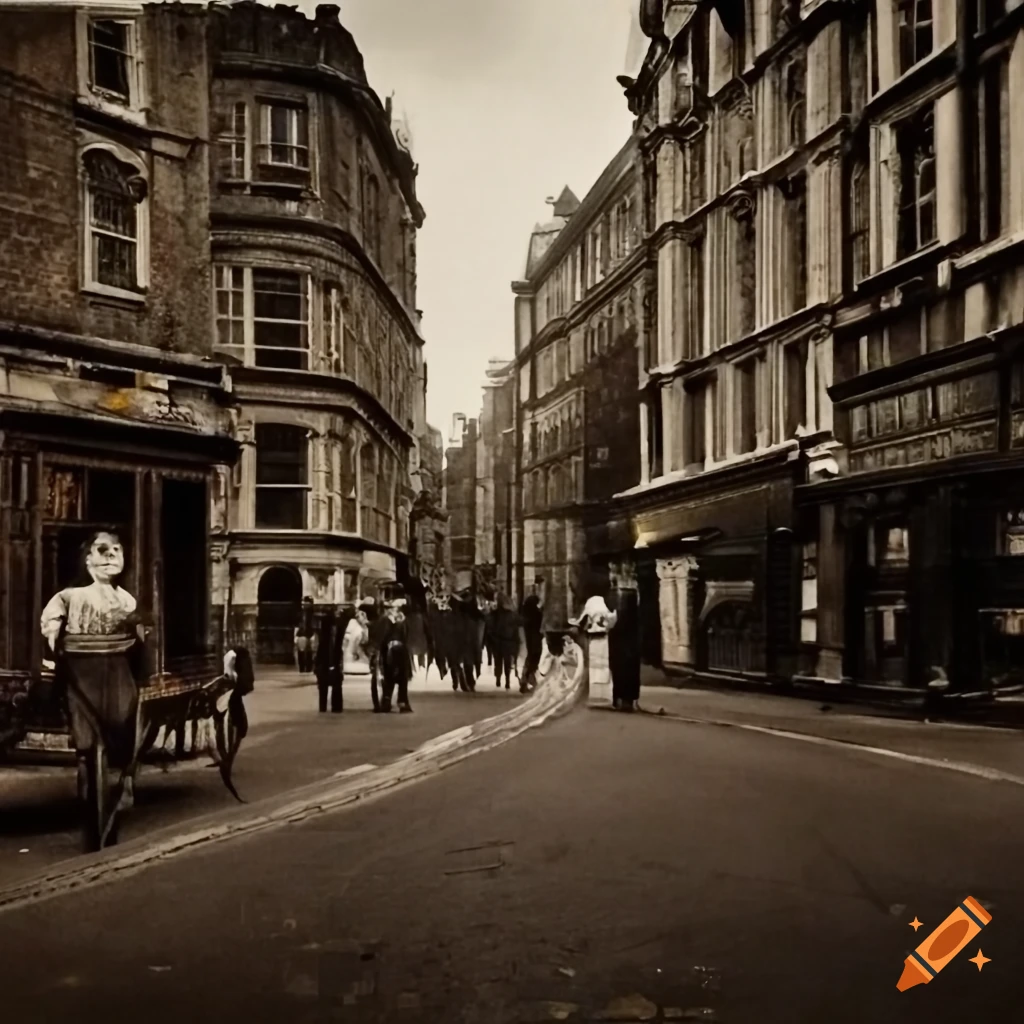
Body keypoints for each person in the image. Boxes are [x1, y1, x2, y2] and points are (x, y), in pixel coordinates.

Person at [40, 529, 144, 851]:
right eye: (102, 550)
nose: (110, 556)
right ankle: (92, 784)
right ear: (88, 560)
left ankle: (121, 773)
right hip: (82, 671)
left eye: (117, 550)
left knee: (126, 713)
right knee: (85, 727)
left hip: (116, 669)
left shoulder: (126, 599)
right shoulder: (70, 596)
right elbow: (50, 625)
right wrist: (55, 639)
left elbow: (137, 634)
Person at [608, 588, 641, 711]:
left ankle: (619, 699)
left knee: (620, 671)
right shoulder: (635, 618)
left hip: (621, 648)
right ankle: (627, 700)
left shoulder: (620, 617)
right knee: (628, 671)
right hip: (629, 649)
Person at [314, 607, 345, 713]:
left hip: (325, 661)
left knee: (324, 686)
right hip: (330, 661)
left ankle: (324, 707)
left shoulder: (324, 635)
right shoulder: (336, 633)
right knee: (334, 684)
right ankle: (335, 707)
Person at [488, 592, 521, 691]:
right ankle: (506, 680)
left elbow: (490, 628)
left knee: (499, 661)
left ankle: (500, 679)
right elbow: (516, 627)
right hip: (506, 641)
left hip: (499, 641)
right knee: (506, 662)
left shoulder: (493, 614)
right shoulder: (510, 614)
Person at [520, 589, 544, 694]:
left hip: (530, 640)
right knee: (534, 660)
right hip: (536, 640)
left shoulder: (526, 614)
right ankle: (527, 679)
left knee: (530, 659)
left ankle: (526, 680)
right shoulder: (536, 614)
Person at [294, 596, 317, 674]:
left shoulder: (313, 613)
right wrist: (295, 635)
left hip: (309, 633)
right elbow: (297, 624)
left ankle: (308, 667)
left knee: (309, 651)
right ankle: (302, 667)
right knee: (302, 651)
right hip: (302, 633)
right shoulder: (300, 613)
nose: (303, 604)